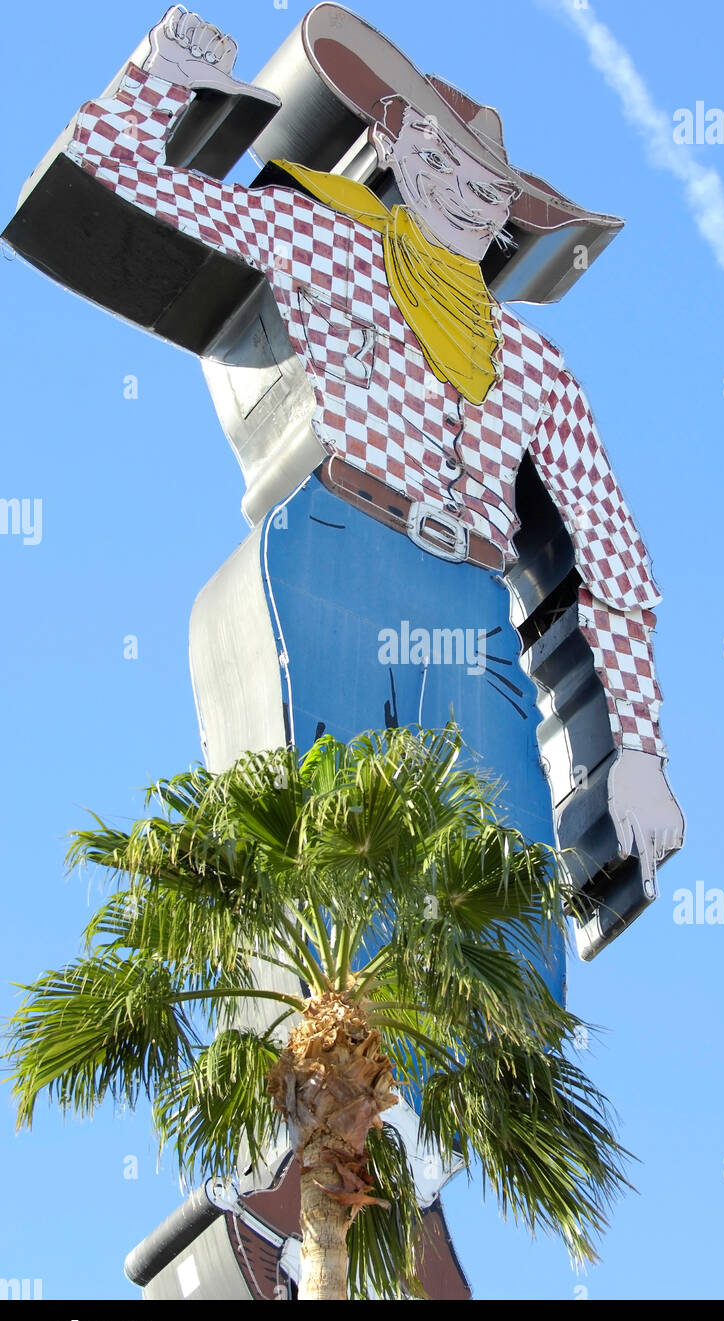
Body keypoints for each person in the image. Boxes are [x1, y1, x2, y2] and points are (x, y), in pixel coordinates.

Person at [62, 2, 684, 904]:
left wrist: (637, 751)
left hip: (471, 602)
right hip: (337, 547)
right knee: (329, 860)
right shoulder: (322, 237)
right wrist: (156, 76)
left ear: (509, 209)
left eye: (486, 187)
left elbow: (613, 560)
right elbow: (114, 174)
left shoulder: (536, 364)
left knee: (498, 890)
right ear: (392, 152)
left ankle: (502, 1046)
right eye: (438, 161)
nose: (465, 197)